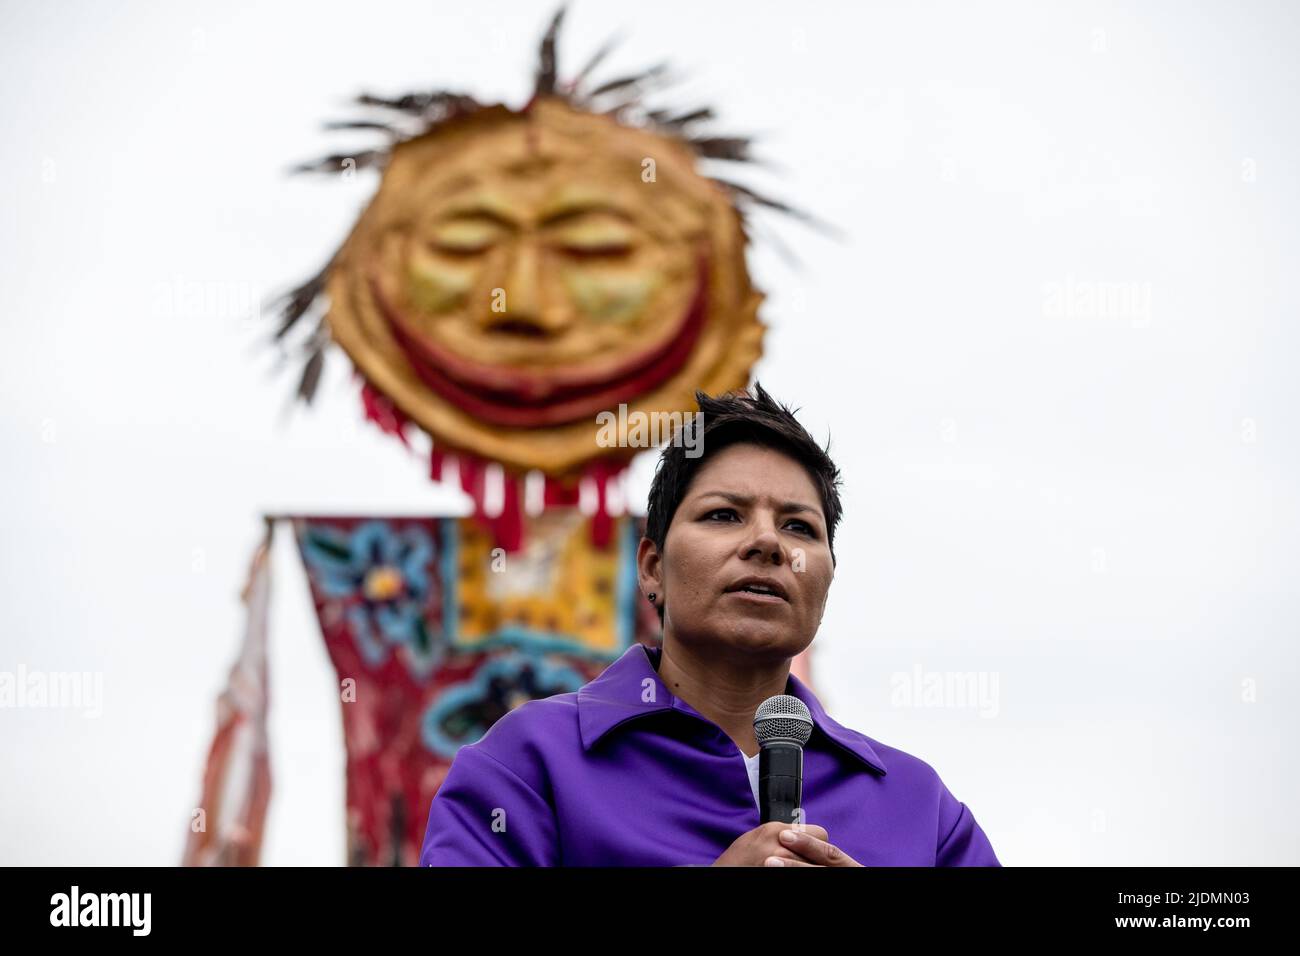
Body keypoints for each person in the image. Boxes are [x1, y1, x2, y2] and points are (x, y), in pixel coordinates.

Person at [419, 383, 1001, 866]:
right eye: (724, 515)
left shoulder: (920, 809)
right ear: (653, 568)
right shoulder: (526, 768)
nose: (768, 542)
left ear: (827, 576)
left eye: (799, 527)